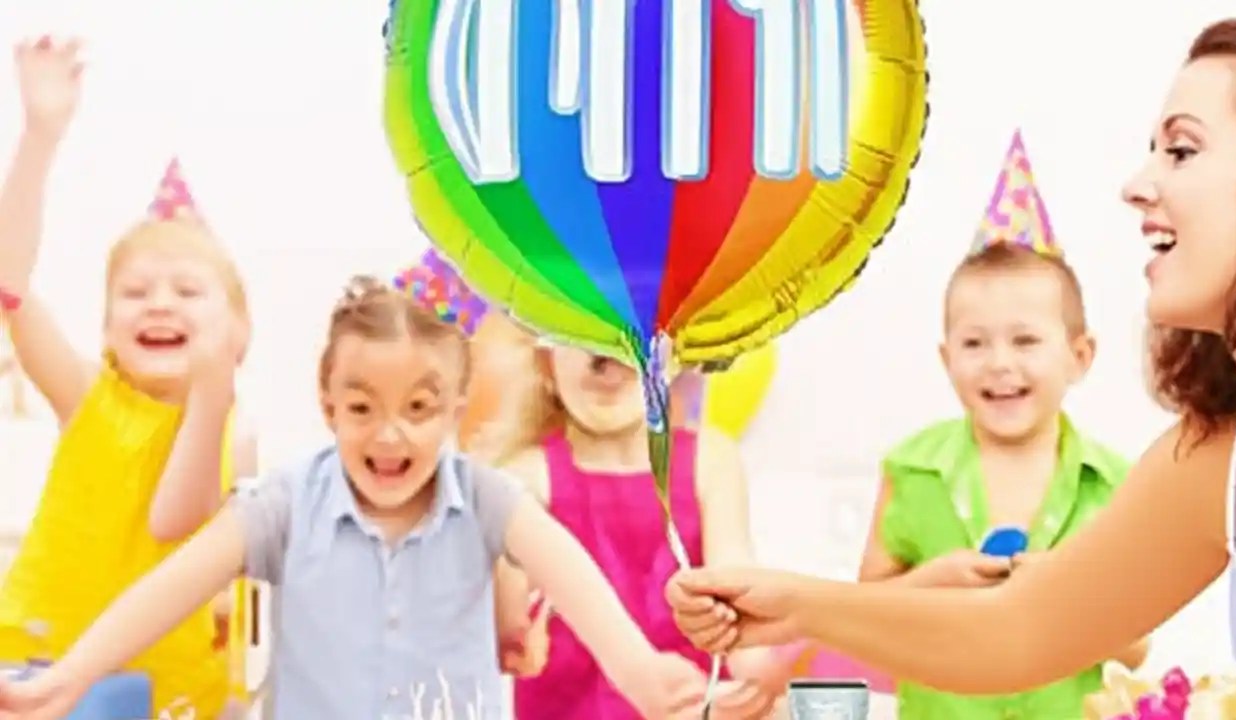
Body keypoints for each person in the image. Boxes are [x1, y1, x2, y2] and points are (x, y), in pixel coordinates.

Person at [664, 14, 1236, 702]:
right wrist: (798, 604)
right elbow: (1018, 632)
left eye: (1183, 151)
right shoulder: (1213, 462)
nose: (1137, 185)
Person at [0, 276, 713, 720]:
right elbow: (170, 588)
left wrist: (642, 672)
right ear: (328, 404)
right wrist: (71, 678)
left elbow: (573, 577)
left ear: (455, 409)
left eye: (420, 407)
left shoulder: (488, 499)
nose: (391, 433)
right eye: (363, 407)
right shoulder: (287, 503)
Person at [0, 37, 254, 717]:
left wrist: (211, 390)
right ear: (108, 328)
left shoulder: (237, 429)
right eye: (136, 292)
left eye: (187, 291)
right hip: (41, 661)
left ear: (239, 332)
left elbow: (178, 520)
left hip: (173, 686)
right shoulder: (86, 394)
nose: (161, 303)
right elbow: (8, 285)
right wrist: (39, 137)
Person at [860, 241, 1146, 719]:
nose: (999, 363)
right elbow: (863, 619)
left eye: (1025, 341)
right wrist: (934, 583)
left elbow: (1136, 649)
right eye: (974, 343)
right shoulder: (910, 471)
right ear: (946, 358)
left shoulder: (1116, 486)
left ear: (1079, 356)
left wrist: (1065, 595)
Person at [478, 339, 791, 719]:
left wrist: (754, 666)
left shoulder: (710, 460)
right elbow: (506, 614)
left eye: (626, 341)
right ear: (547, 363)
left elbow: (734, 579)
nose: (606, 357)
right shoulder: (526, 477)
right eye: (583, 339)